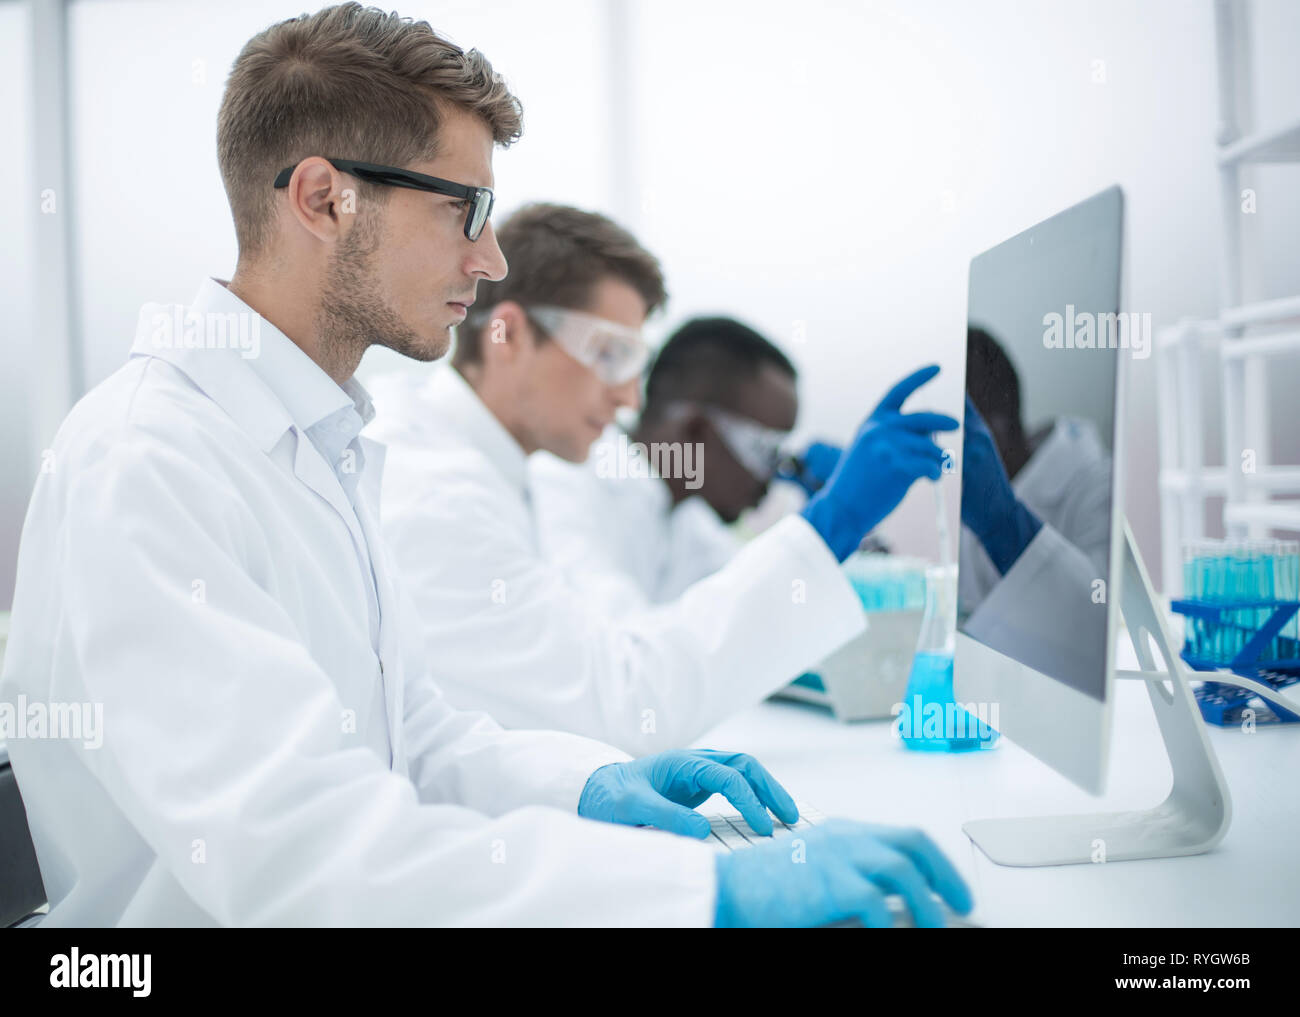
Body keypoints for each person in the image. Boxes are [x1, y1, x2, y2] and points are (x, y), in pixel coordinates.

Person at [0, 3, 971, 927]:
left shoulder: (318, 444)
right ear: (321, 198)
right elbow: (305, 850)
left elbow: (409, 740)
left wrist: (584, 781)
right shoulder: (150, 463)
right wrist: (701, 895)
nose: (493, 260)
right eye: (464, 211)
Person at [370, 201, 958, 755]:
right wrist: (836, 521)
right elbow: (623, 703)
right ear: (511, 336)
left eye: (635, 365)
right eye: (608, 354)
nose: (629, 397)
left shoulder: (495, 473)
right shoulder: (439, 492)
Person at [531, 316, 829, 610]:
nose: (772, 477)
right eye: (764, 450)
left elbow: (758, 610)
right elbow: (615, 643)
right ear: (695, 430)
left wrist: (829, 538)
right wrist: (837, 518)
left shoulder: (687, 523)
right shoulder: (568, 485)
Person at [959, 326, 1111, 695]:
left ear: (994, 426)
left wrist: (1004, 526)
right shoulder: (971, 478)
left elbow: (1096, 628)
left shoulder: (1095, 482)